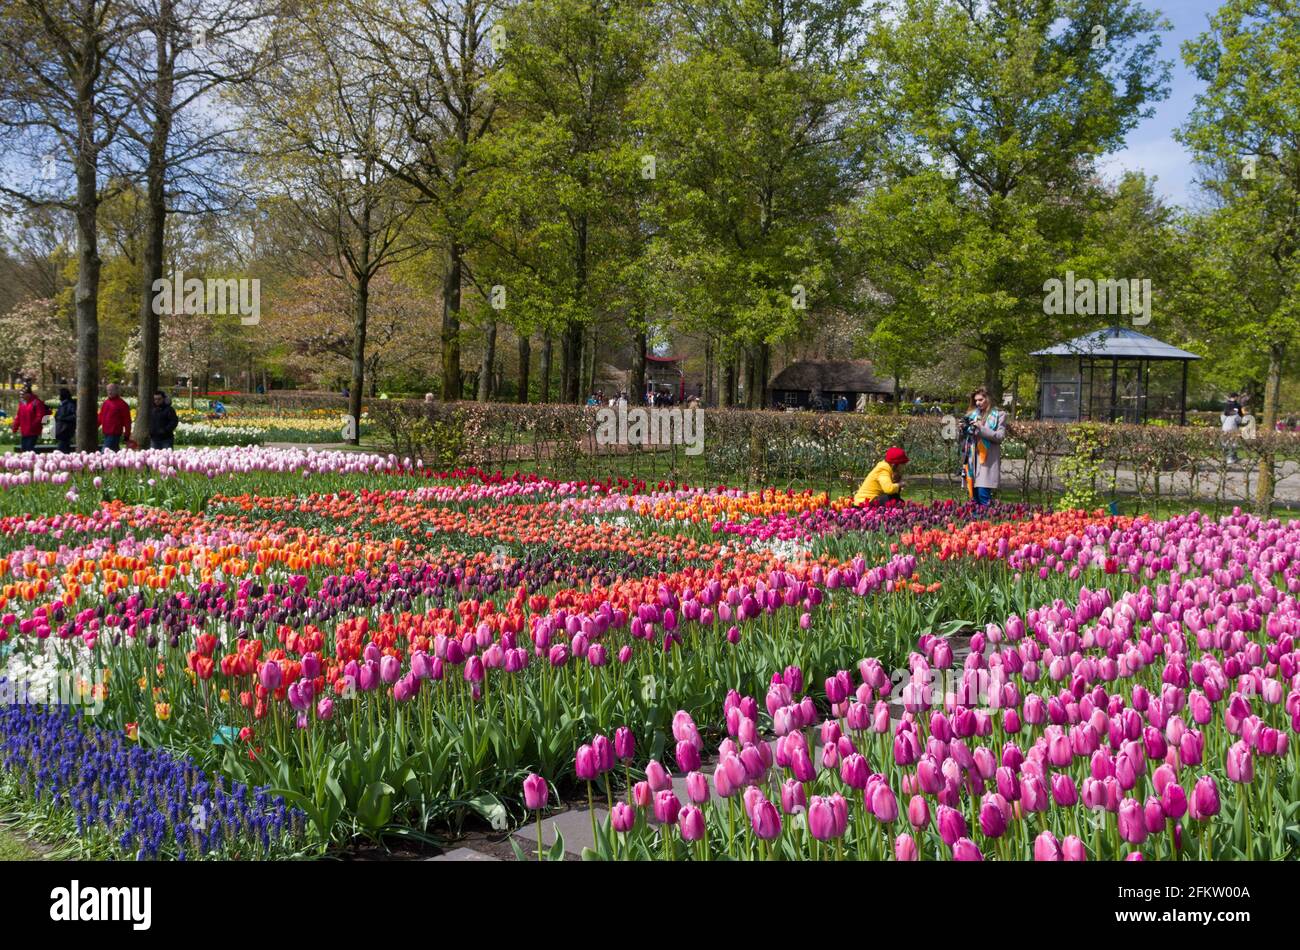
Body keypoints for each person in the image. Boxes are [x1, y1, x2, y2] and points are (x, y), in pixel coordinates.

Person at [960, 386, 1007, 506]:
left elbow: (1000, 436)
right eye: (976, 400)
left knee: (983, 496)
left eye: (980, 400)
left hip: (987, 461)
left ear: (988, 399)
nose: (977, 403)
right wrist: (962, 429)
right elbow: (963, 440)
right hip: (972, 462)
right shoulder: (972, 415)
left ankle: (987, 523)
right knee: (973, 499)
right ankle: (975, 524)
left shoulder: (1000, 415)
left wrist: (981, 428)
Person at [11, 384, 49, 452]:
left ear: (28, 394)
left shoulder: (36, 403)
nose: (21, 396)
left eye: (23, 394)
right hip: (24, 432)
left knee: (29, 450)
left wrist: (32, 426)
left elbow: (40, 417)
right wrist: (15, 428)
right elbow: (19, 416)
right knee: (24, 450)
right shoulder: (22, 403)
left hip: (33, 432)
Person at [97, 383, 132, 451]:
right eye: (108, 390)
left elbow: (127, 421)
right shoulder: (106, 403)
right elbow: (100, 417)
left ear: (117, 391)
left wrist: (127, 435)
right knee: (114, 452)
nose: (109, 392)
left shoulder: (122, 404)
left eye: (112, 390)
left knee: (104, 452)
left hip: (114, 434)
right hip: (106, 433)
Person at [1222, 392, 1242, 463]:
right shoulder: (1236, 406)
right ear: (1235, 397)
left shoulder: (1227, 405)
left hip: (1225, 427)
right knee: (1233, 442)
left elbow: (1224, 415)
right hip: (1233, 426)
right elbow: (1240, 417)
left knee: (1226, 442)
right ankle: (1231, 457)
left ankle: (1227, 457)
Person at [54, 387, 76, 452]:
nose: (58, 397)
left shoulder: (70, 404)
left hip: (65, 430)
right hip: (61, 430)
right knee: (65, 448)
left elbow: (74, 416)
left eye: (59, 395)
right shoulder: (62, 404)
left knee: (61, 449)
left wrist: (63, 418)